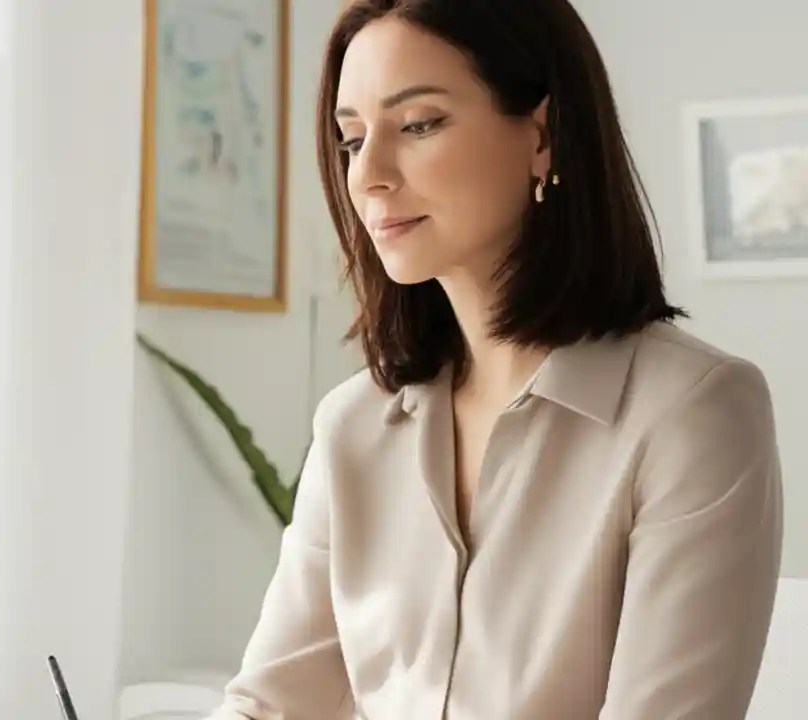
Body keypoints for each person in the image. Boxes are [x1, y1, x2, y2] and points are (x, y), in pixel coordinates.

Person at [205, 1, 784, 718]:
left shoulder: (694, 409)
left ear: (543, 135)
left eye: (418, 124)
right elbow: (273, 702)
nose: (369, 175)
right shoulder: (352, 425)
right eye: (351, 139)